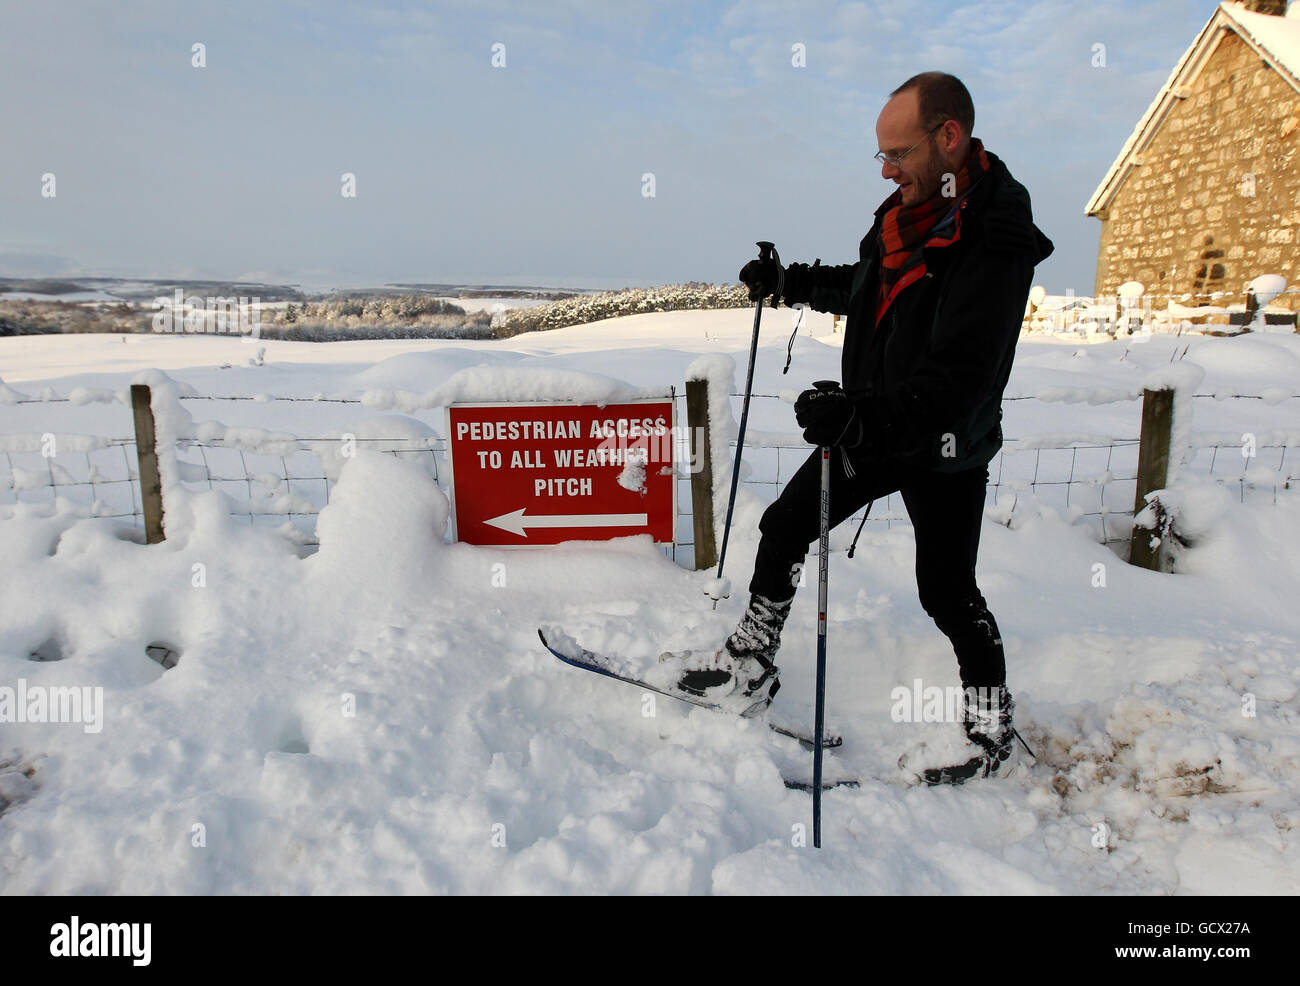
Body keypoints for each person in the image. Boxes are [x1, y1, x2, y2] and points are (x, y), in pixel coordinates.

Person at [677, 72, 1054, 784]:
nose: (886, 169)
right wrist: (787, 280)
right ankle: (753, 661)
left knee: (946, 590)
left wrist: (860, 414)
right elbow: (866, 285)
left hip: (942, 444)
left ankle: (990, 726)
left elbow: (960, 377)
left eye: (899, 153)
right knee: (787, 524)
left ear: (950, 137)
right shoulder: (908, 215)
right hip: (877, 428)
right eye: (880, 156)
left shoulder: (996, 236)